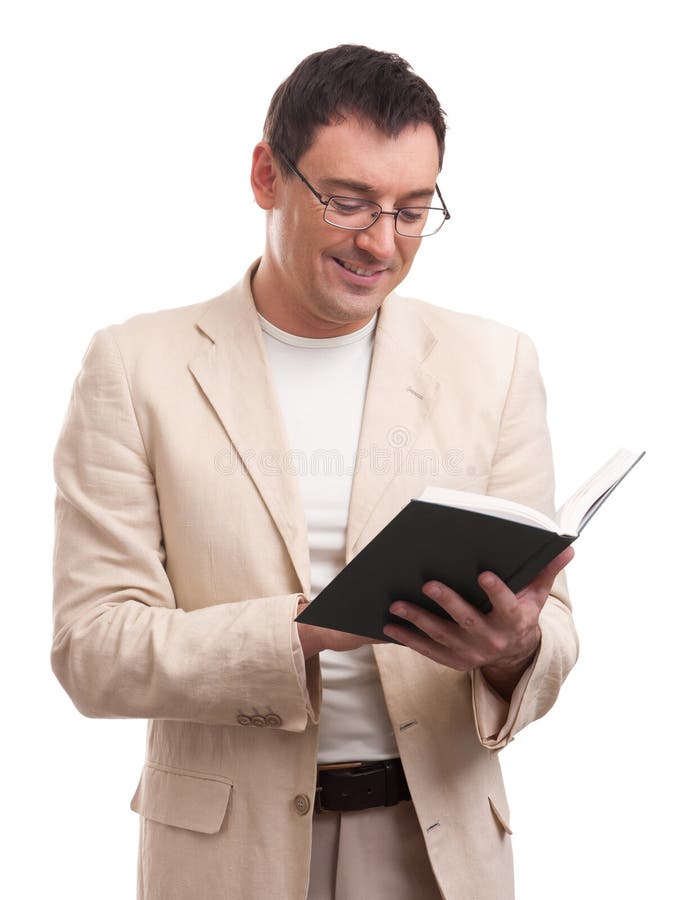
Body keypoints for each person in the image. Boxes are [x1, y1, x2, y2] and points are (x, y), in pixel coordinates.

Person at [51, 44, 578, 900]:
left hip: (437, 848)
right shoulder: (133, 367)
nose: (381, 242)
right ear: (266, 174)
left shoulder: (497, 364)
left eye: (414, 210)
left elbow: (553, 627)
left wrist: (518, 649)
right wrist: (304, 631)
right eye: (348, 201)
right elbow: (93, 649)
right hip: (227, 857)